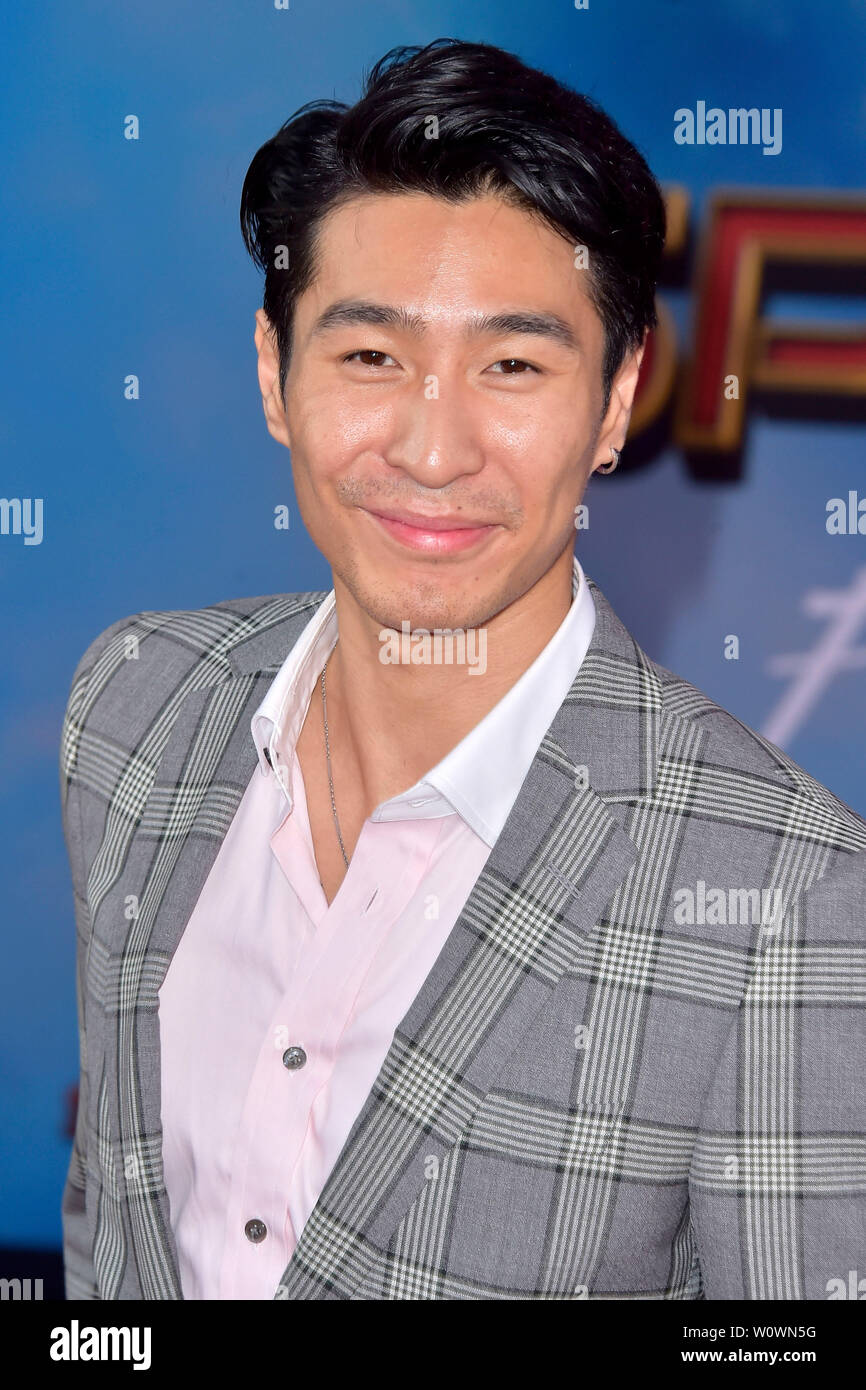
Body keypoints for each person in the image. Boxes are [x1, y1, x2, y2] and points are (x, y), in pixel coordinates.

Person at [60, 38, 866, 1301]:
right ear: (275, 374)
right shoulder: (134, 707)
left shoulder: (786, 896)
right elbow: (114, 1230)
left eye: (512, 365)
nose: (433, 450)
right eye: (370, 356)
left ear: (614, 402)